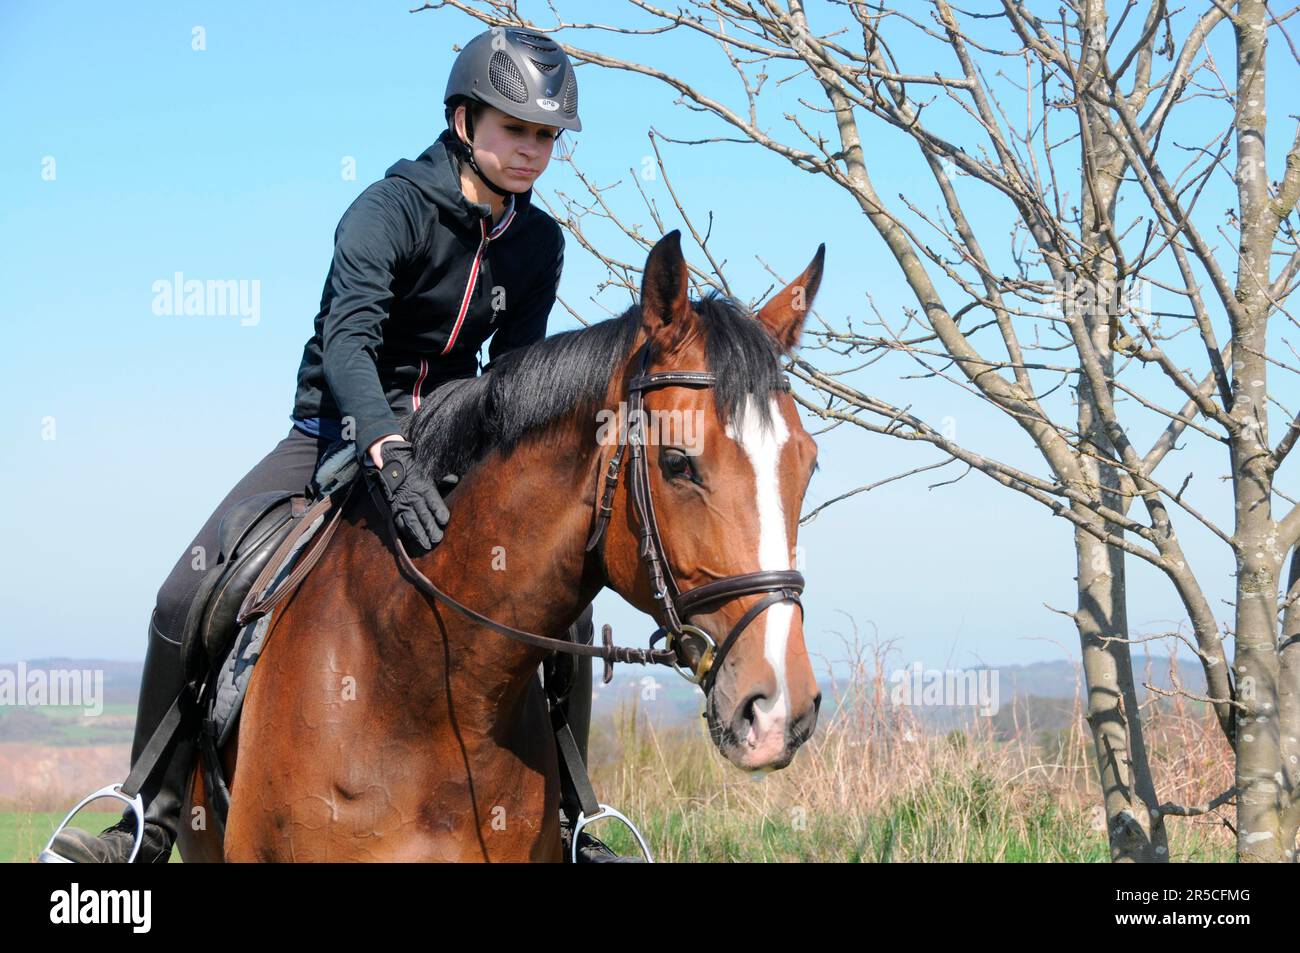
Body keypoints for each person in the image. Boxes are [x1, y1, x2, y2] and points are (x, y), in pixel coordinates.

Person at [49, 26, 595, 863]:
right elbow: (346, 342)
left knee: (563, 601)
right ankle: (147, 821)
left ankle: (579, 819)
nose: (532, 151)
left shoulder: (539, 243)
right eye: (515, 129)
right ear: (462, 121)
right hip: (335, 429)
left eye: (546, 137)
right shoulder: (389, 211)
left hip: (454, 444)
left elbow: (514, 374)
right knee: (178, 597)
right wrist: (384, 445)